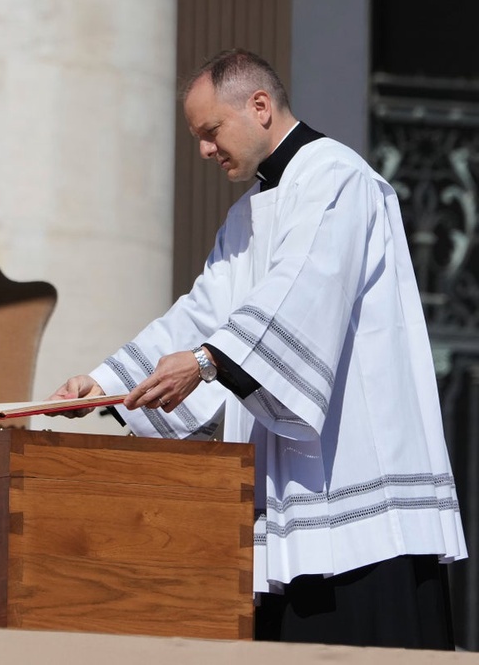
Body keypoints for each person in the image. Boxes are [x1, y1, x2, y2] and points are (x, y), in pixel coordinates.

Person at [50, 49, 467, 649]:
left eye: (210, 131)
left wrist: (207, 361)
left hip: (359, 481)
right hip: (291, 498)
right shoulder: (246, 217)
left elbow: (301, 292)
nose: (204, 150)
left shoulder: (337, 177)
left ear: (261, 107)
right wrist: (108, 383)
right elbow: (200, 312)